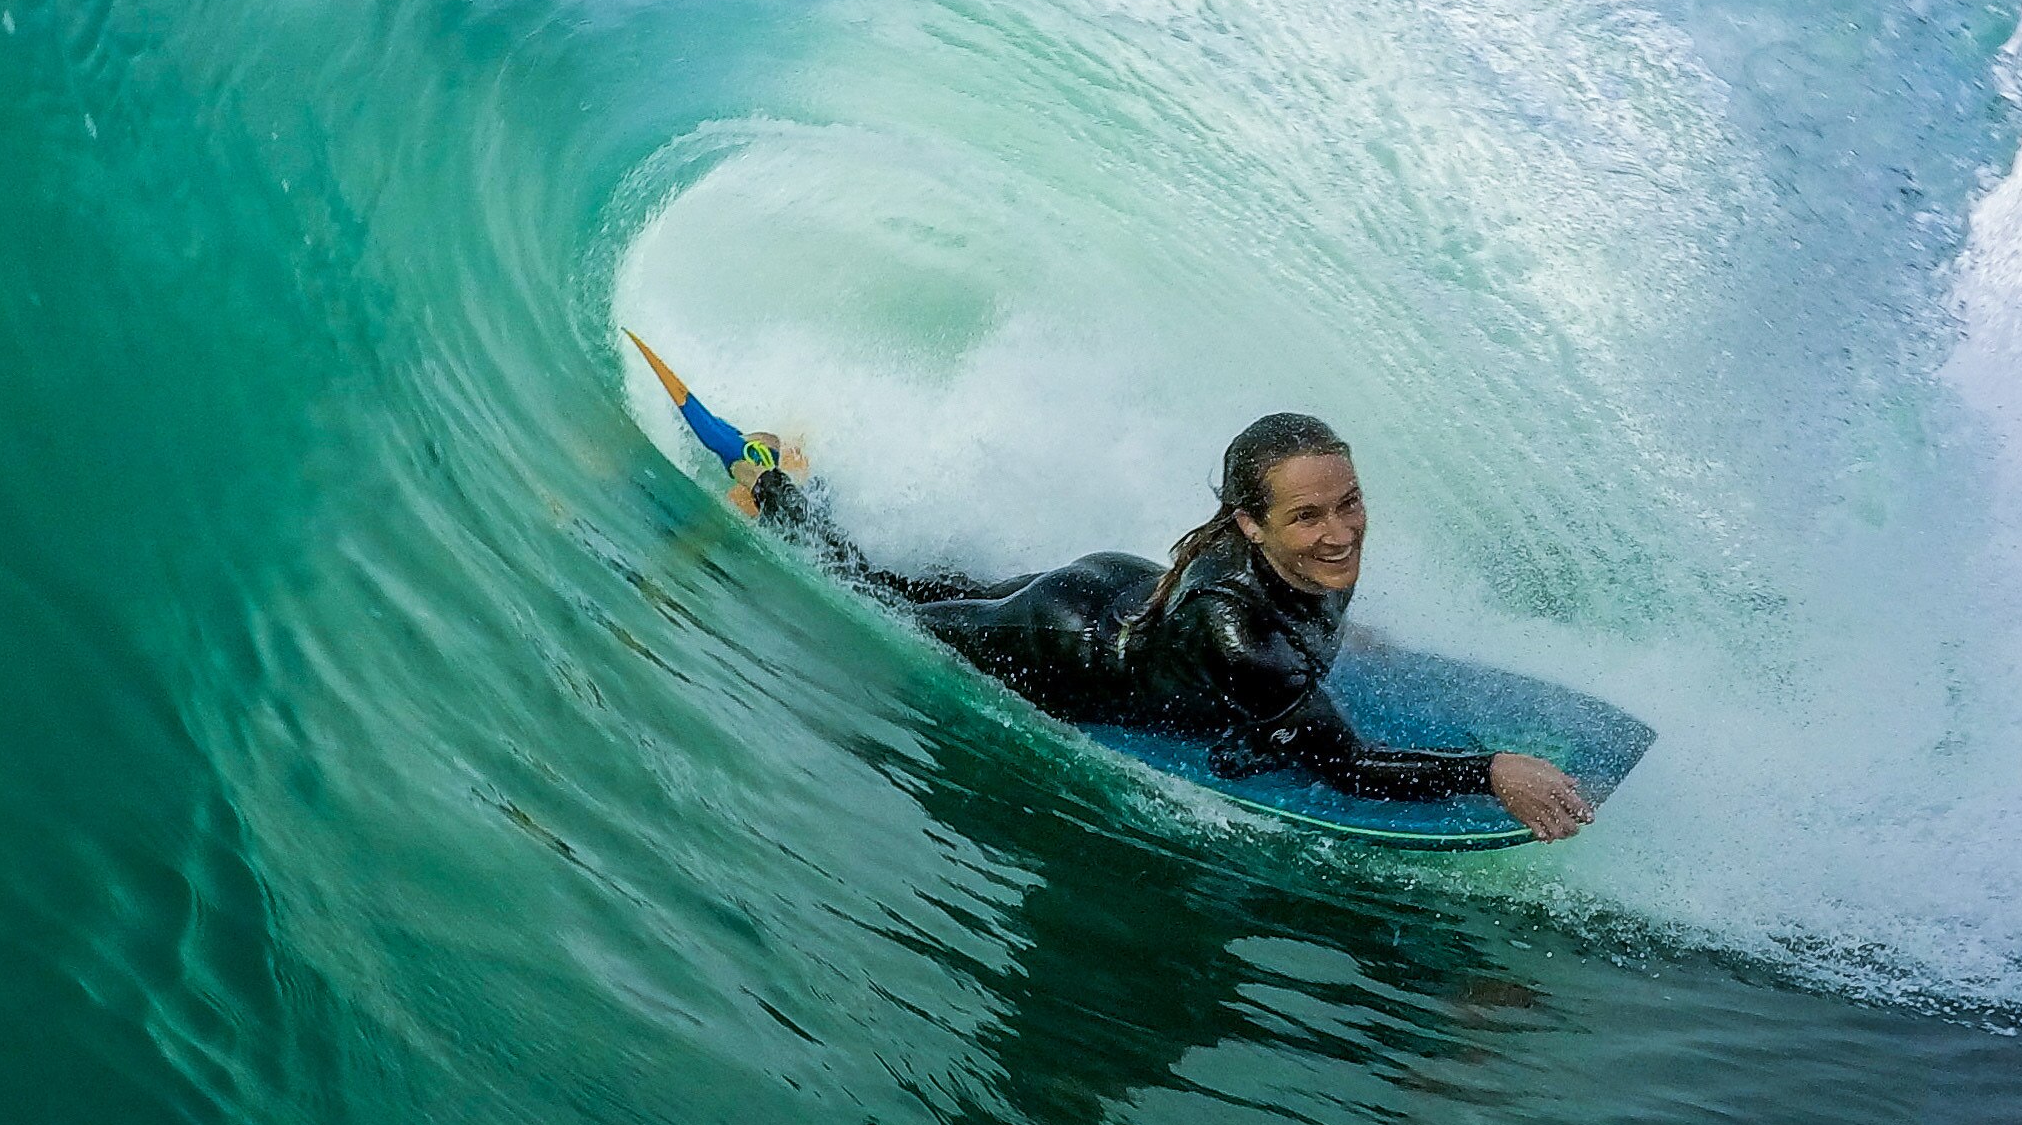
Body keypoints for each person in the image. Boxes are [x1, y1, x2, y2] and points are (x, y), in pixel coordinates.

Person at [625, 333, 1593, 842]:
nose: (1339, 531)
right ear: (1250, 524)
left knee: (931, 580)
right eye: (1308, 517)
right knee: (887, 600)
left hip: (1116, 590)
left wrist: (1349, 630)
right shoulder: (1233, 637)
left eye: (1349, 503)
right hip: (1063, 641)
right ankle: (768, 484)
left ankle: (810, 482)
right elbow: (1343, 767)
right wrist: (1488, 770)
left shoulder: (1286, 553)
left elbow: (1297, 598)